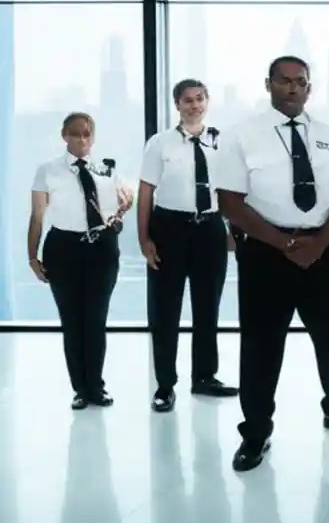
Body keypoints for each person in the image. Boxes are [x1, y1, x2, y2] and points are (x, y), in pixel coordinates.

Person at [216, 56, 329, 473]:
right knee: (260, 346)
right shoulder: (242, 135)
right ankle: (255, 433)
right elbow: (229, 202)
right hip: (266, 254)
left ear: (310, 88)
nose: (292, 88)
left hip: (323, 251)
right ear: (268, 84)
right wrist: (284, 242)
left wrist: (318, 243)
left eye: (300, 82)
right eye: (284, 81)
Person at [138, 79, 238, 412]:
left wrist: (231, 229)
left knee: (208, 307)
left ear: (207, 102)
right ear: (176, 105)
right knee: (165, 310)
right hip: (169, 228)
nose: (193, 105)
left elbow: (232, 191)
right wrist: (144, 239)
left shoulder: (222, 142)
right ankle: (164, 385)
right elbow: (146, 193)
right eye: (186, 100)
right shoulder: (160, 143)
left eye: (199, 99)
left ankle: (205, 377)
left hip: (209, 228)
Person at [27, 112, 134, 409]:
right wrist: (32, 256)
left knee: (96, 319)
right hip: (63, 249)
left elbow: (122, 202)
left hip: (101, 248)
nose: (82, 139)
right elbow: (37, 216)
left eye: (88, 134)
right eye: (76, 134)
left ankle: (96, 386)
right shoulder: (47, 171)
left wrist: (125, 206)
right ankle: (80, 389)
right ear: (64, 136)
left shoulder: (106, 168)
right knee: (72, 321)